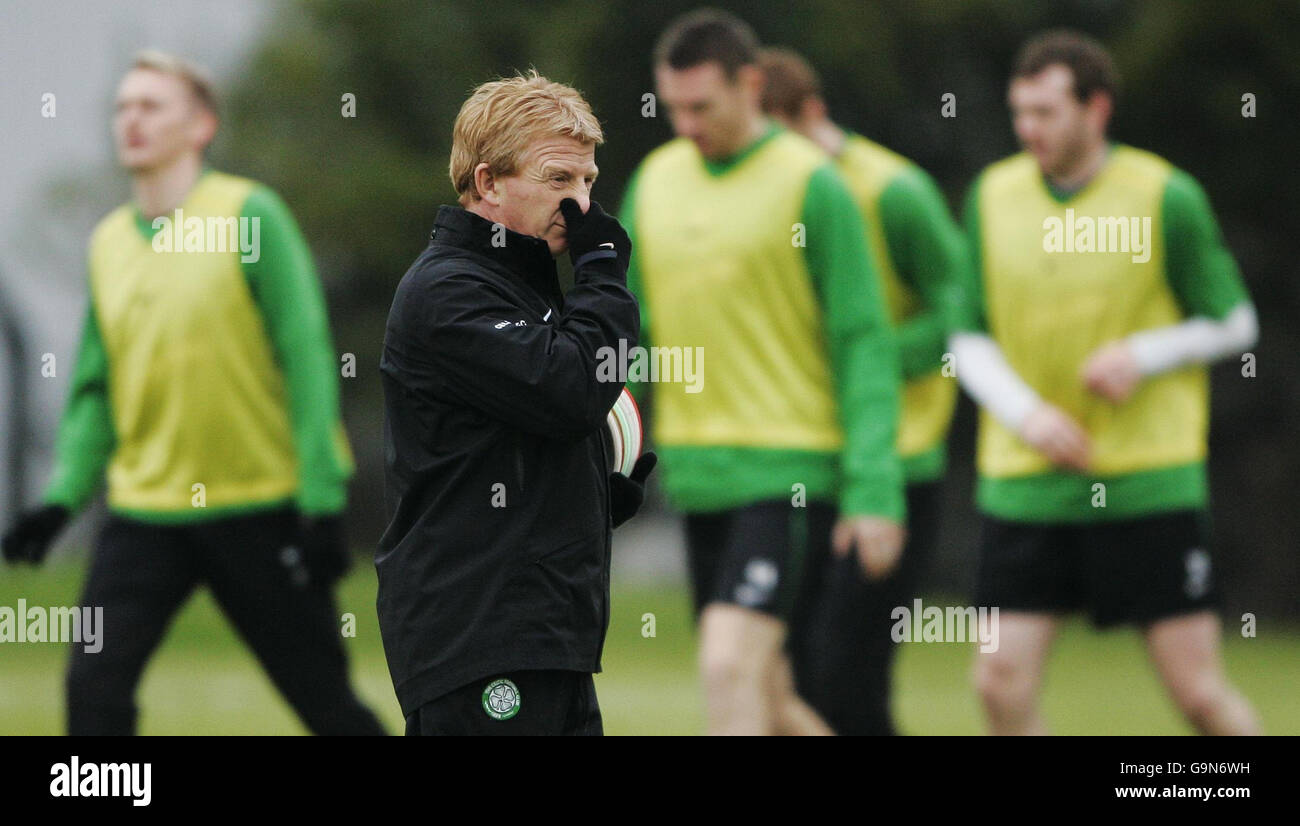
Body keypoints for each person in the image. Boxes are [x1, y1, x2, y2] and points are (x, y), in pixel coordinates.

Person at [0, 50, 384, 735]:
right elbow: (94, 388)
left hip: (258, 507)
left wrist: (323, 500)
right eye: (122, 107)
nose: (131, 120)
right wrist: (60, 500)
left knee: (327, 706)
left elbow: (306, 359)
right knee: (92, 695)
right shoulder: (108, 243)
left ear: (201, 124)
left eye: (151, 105)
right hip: (144, 513)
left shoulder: (250, 214)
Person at [949, 30, 1261, 735]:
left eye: (1046, 113)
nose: (1028, 129)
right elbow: (964, 334)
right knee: (999, 683)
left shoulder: (1166, 196)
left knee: (1201, 699)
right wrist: (1026, 413)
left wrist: (1145, 354)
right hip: (1026, 480)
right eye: (1019, 112)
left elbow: (1236, 322)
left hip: (1145, 479)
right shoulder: (992, 197)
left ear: (1097, 110)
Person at [623, 10, 905, 735]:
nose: (684, 125)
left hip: (789, 475)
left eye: (701, 106)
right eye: (672, 107)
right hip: (696, 475)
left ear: (750, 85)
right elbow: (625, 330)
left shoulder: (814, 184)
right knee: (770, 698)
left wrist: (875, 488)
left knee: (727, 668)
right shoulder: (655, 181)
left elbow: (864, 340)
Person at [378, 71, 651, 736]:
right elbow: (574, 389)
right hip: (481, 639)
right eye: (559, 180)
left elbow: (531, 431)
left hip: (544, 636)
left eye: (588, 182)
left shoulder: (522, 288)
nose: (581, 205)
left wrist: (592, 492)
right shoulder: (449, 292)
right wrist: (604, 271)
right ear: (489, 182)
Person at [759, 46, 968, 736]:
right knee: (783, 675)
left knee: (847, 678)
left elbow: (964, 310)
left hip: (894, 462)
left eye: (774, 135)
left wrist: (871, 356)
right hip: (806, 463)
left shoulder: (894, 190)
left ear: (811, 114)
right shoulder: (768, 195)